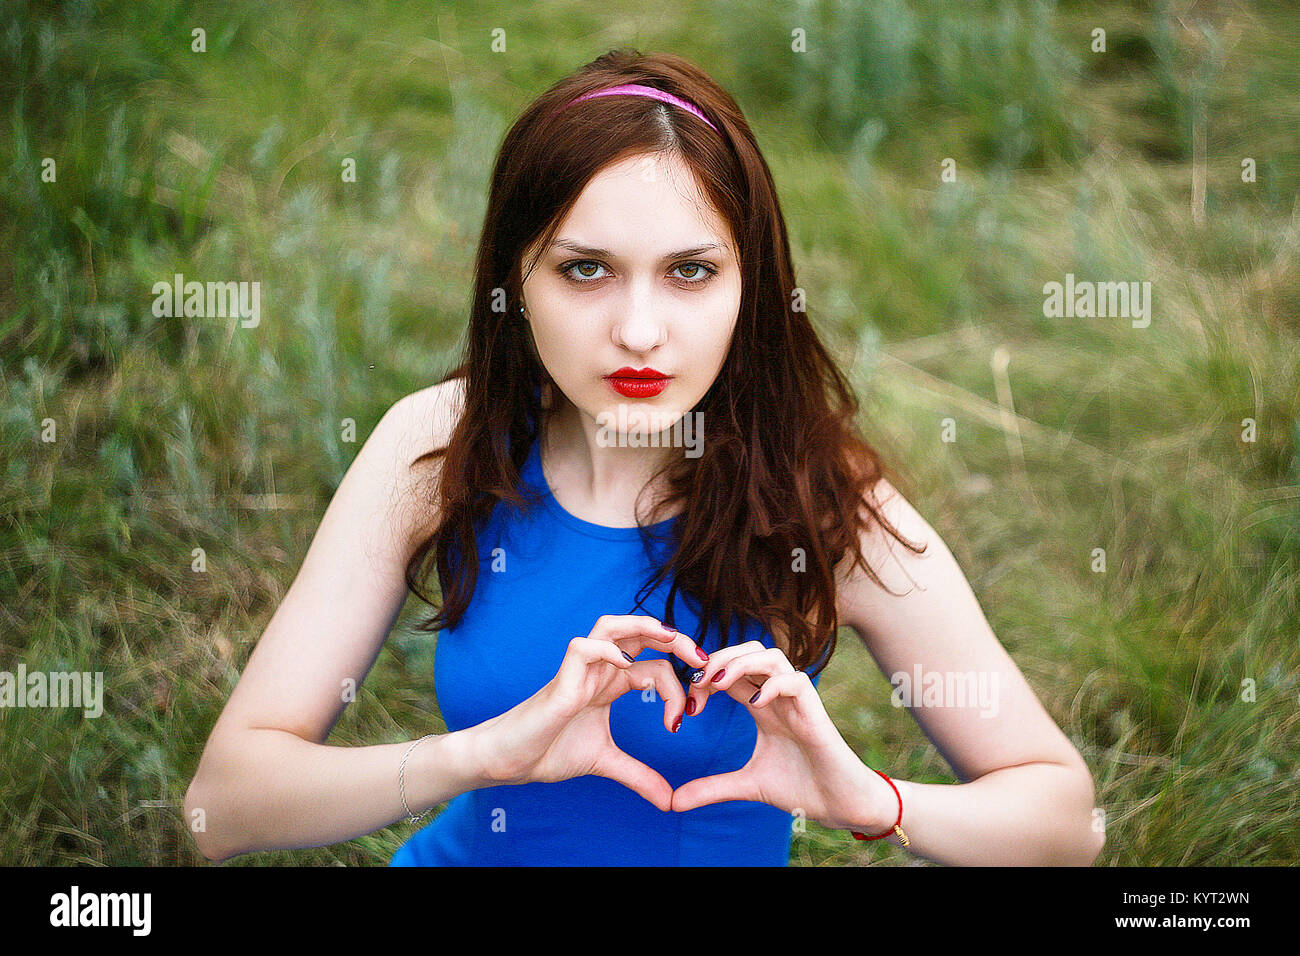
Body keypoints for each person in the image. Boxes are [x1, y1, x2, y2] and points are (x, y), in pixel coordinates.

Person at [184, 49, 1103, 867]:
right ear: (514, 279)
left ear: (750, 287)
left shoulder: (819, 500)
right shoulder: (438, 443)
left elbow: (1064, 824)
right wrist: (481, 755)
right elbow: (222, 809)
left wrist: (873, 803)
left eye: (689, 271)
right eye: (585, 269)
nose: (637, 330)